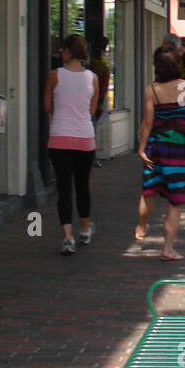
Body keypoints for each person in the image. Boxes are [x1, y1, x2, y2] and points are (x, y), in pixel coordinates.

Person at [137, 47, 185, 261]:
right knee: (175, 202)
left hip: (156, 146)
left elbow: (148, 122)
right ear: (178, 64)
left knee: (149, 191)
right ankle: (167, 248)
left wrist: (141, 148)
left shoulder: (152, 89)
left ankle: (142, 225)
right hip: (180, 149)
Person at [44, 34, 99, 255]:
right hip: (84, 137)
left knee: (64, 188)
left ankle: (68, 237)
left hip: (59, 137)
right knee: (83, 186)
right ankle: (85, 230)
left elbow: (48, 106)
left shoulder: (54, 76)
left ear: (67, 51)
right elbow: (92, 110)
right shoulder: (92, 78)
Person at [89, 40, 111, 168]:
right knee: (92, 130)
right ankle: (92, 157)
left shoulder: (92, 66)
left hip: (93, 100)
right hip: (97, 100)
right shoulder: (101, 66)